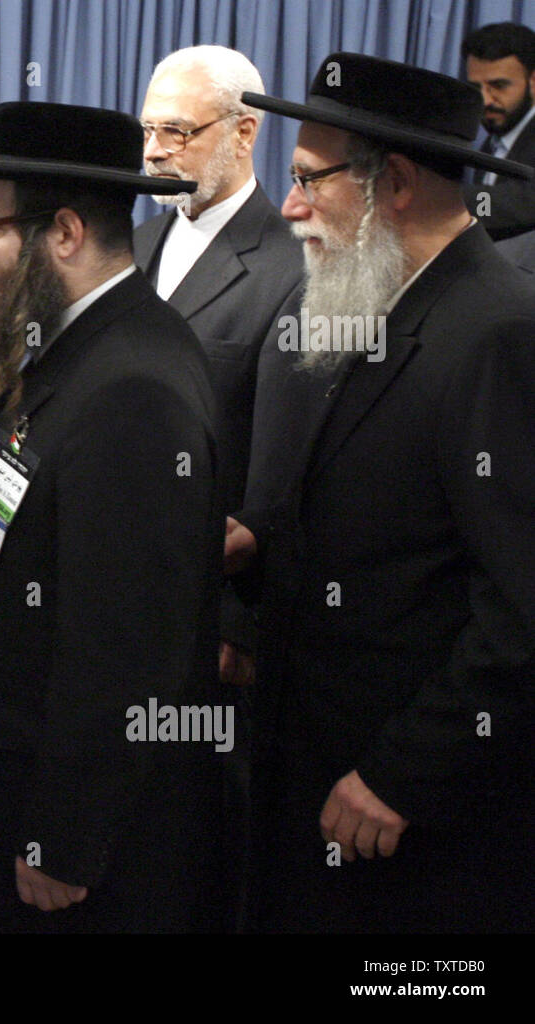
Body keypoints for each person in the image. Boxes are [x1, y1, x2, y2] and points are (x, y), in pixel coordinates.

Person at [0, 101, 223, 933]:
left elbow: (123, 650)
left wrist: (63, 838)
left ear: (65, 233)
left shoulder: (134, 386)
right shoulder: (69, 350)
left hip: (62, 847)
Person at [232, 52, 535, 932]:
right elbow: (387, 519)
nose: (289, 208)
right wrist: (260, 541)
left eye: (306, 180)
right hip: (318, 775)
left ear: (394, 182)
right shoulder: (383, 300)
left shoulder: (497, 333)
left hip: (416, 821)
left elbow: (521, 605)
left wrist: (405, 773)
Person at [136, 44, 305, 930]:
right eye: (148, 130)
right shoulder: (133, 244)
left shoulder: (290, 269)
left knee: (204, 856)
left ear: (245, 133)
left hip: (214, 628)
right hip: (117, 605)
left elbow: (277, 487)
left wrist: (240, 624)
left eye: (176, 131)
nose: (155, 151)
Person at [462, 22, 535, 240]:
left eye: (499, 85)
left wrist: (443, 198)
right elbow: (489, 210)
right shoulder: (493, 141)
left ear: (533, 81)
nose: (485, 100)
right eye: (476, 88)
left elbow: (525, 202)